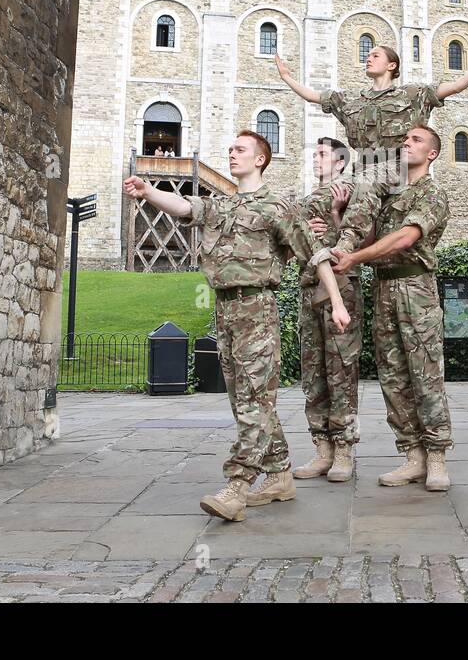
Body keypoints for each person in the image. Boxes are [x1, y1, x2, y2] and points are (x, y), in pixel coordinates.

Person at [122, 131, 350, 522]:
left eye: (240, 149)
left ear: (260, 159)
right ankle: (279, 475)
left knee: (256, 400)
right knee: (245, 400)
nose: (231, 154)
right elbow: (183, 206)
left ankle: (237, 486)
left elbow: (315, 257)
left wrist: (338, 302)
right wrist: (147, 192)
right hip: (224, 310)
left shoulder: (277, 206)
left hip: (256, 307)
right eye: (229, 149)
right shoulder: (222, 205)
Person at [330, 125, 453, 491]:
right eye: (405, 139)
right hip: (383, 287)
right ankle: (412, 456)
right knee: (393, 375)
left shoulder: (432, 194)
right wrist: (340, 218)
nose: (406, 143)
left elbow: (404, 238)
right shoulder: (386, 195)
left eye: (416, 140)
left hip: (415, 287)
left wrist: (354, 257)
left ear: (431, 153)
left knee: (425, 373)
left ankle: (436, 456)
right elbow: (371, 240)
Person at [274, 35, 468, 170]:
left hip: (400, 172)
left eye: (375, 56)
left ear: (391, 65)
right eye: (367, 55)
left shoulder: (413, 94)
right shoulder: (351, 99)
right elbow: (313, 96)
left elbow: (457, 86)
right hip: (363, 171)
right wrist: (286, 77)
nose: (368, 58)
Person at [293, 137, 365, 483]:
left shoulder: (350, 192)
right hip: (309, 289)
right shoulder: (308, 199)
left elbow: (361, 239)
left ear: (339, 162)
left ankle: (344, 449)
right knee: (314, 371)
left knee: (341, 368)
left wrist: (335, 219)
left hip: (341, 289)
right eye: (314, 154)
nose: (315, 159)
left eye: (322, 155)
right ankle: (322, 449)